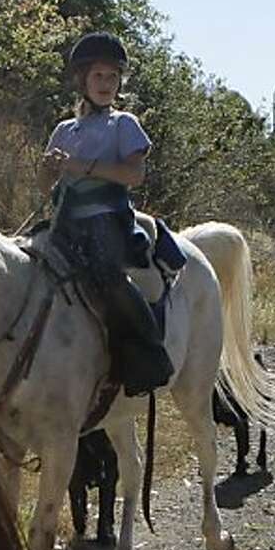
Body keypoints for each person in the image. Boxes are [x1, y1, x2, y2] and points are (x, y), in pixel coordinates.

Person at [41, 32, 173, 395]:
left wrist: (84, 167)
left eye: (112, 77)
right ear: (83, 80)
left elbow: (134, 174)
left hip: (107, 221)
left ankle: (147, 355)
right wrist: (49, 169)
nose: (106, 84)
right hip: (66, 222)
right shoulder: (64, 130)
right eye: (98, 76)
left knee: (106, 276)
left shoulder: (124, 124)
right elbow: (46, 187)